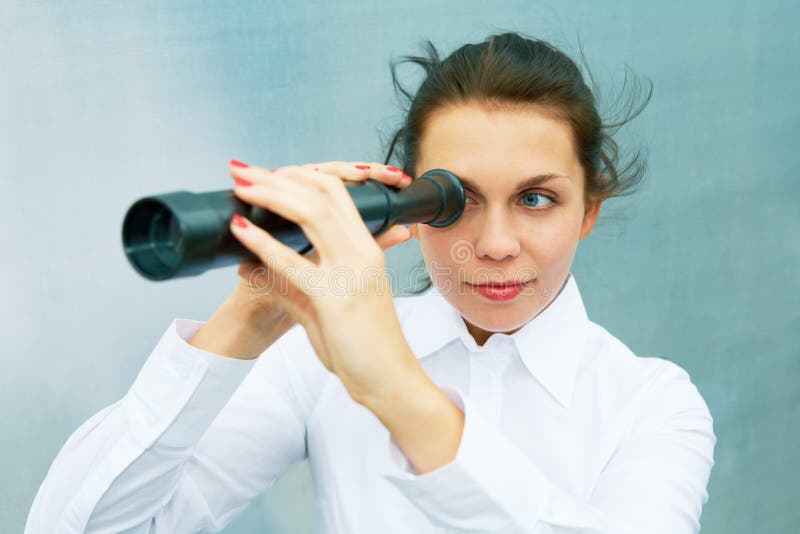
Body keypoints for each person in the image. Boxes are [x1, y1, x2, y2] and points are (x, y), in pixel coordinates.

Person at [25, 32, 715, 533]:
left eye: (536, 199)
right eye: (457, 200)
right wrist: (253, 311)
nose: (496, 245)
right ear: (410, 207)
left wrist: (391, 384)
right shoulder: (315, 358)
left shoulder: (654, 405)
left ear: (589, 210)